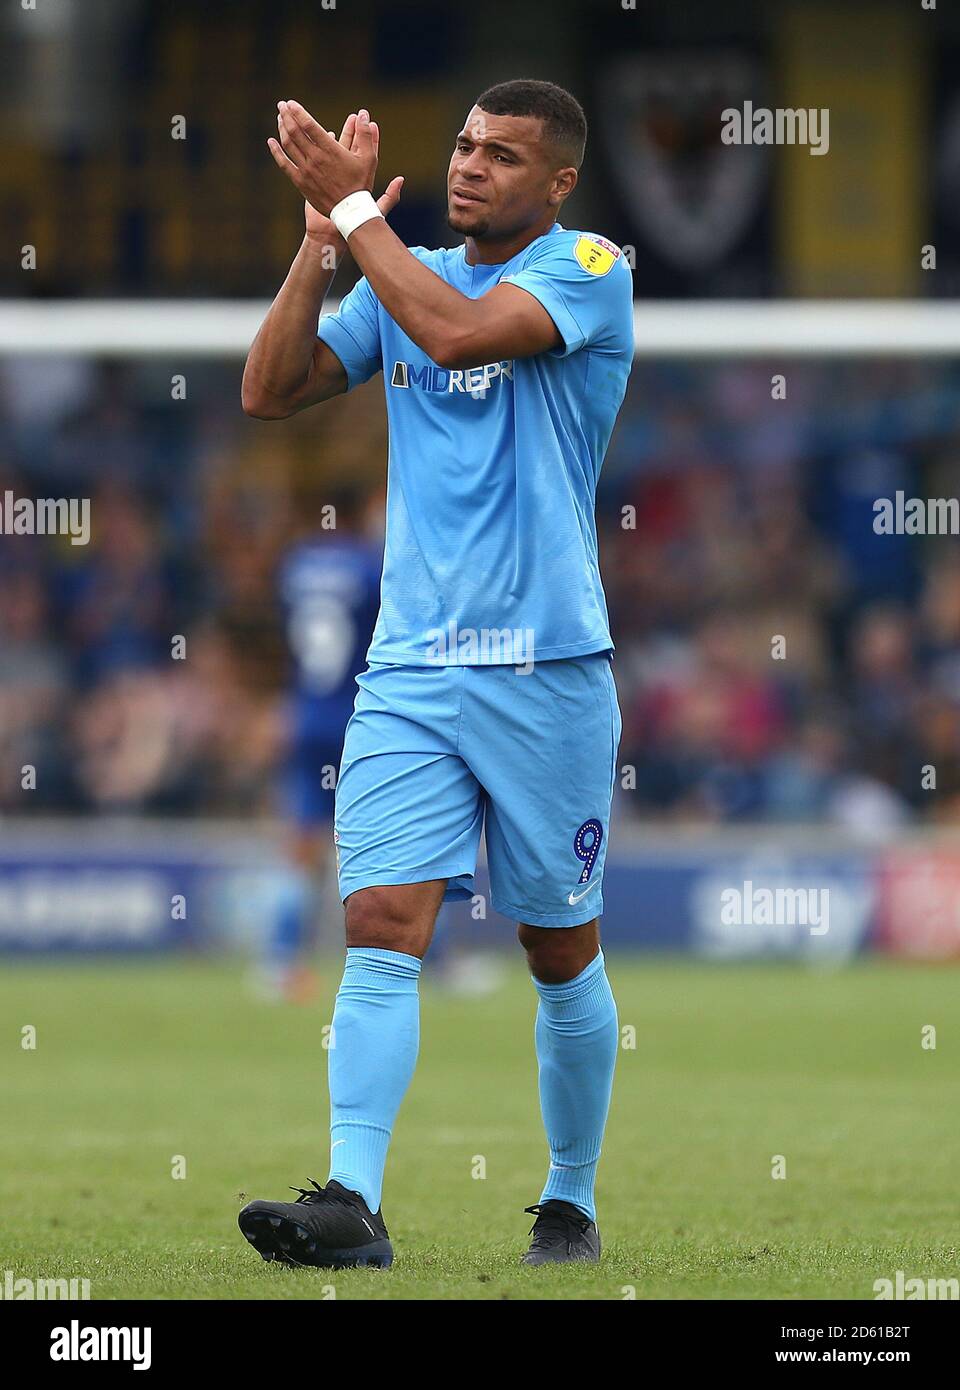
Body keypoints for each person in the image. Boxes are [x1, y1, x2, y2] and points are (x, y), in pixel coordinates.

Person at [239, 78, 633, 1268]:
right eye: (465, 144)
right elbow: (271, 387)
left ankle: (567, 1195)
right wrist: (320, 247)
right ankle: (352, 1201)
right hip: (410, 665)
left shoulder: (591, 269)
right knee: (378, 920)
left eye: (504, 156)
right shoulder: (404, 266)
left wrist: (353, 208)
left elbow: (462, 336)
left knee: (557, 947)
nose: (470, 166)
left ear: (557, 183)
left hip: (547, 667)